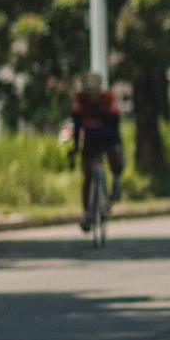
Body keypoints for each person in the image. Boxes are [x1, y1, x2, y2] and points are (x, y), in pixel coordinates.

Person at [66, 72, 124, 231]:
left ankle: (116, 182)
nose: (92, 97)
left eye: (95, 93)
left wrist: (117, 147)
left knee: (115, 155)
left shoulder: (108, 99)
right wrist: (75, 149)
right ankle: (87, 211)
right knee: (87, 173)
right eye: (89, 93)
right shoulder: (79, 102)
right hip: (90, 138)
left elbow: (115, 128)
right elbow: (77, 128)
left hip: (108, 135)